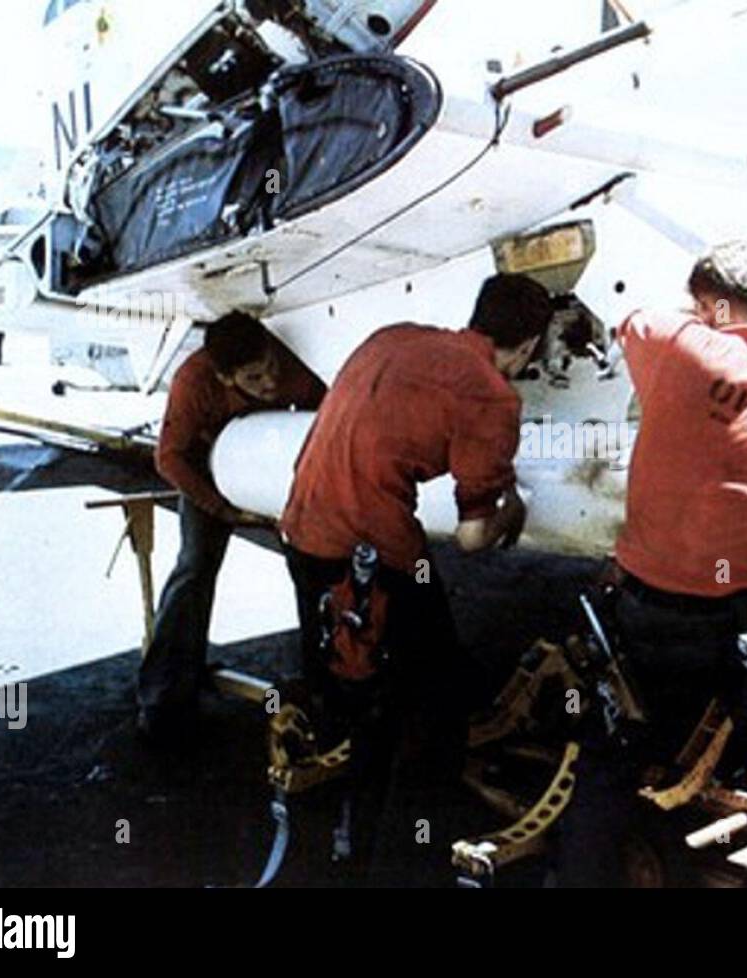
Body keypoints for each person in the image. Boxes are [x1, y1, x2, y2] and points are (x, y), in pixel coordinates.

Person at [558, 241, 747, 887]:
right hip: (734, 640)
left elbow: (635, 316)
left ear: (707, 306)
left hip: (638, 616)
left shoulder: (672, 344)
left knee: (606, 763)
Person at [278, 272, 552, 886]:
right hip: (370, 559)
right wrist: (516, 505)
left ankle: (350, 842)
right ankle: (406, 862)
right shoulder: (492, 397)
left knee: (362, 695)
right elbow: (473, 540)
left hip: (300, 534)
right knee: (436, 706)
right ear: (531, 345)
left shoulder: (393, 337)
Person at [138, 312, 326, 742]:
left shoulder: (288, 362)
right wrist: (220, 509)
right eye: (255, 378)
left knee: (313, 562)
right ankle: (163, 698)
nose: (270, 384)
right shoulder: (194, 381)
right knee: (194, 569)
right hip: (209, 470)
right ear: (225, 377)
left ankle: (325, 685)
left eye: (272, 369)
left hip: (275, 467)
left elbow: (327, 415)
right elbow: (168, 457)